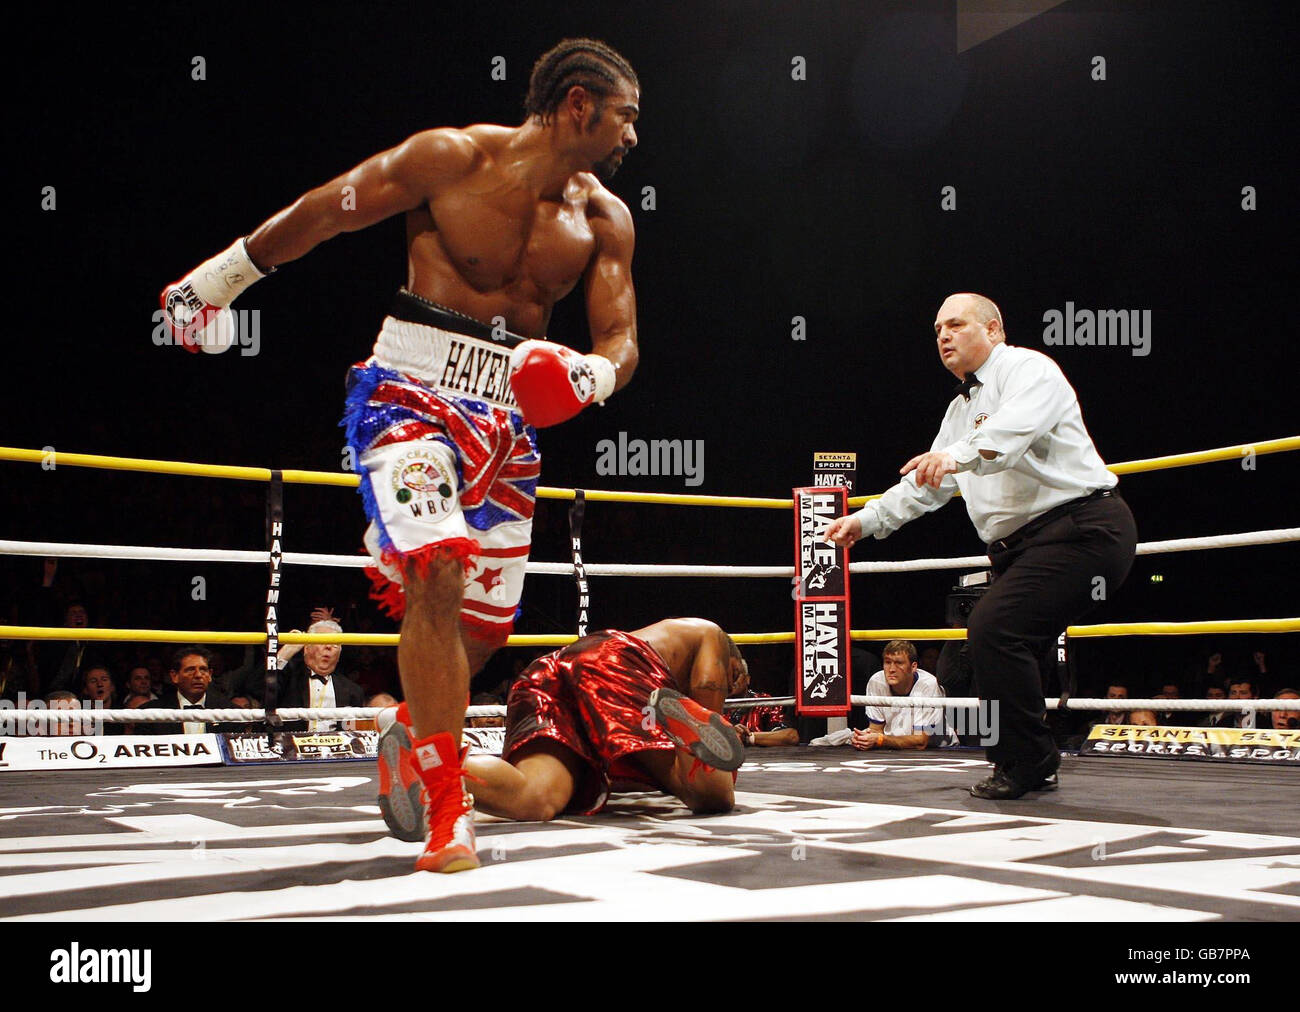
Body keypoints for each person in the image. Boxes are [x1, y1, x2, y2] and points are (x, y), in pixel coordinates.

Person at [159, 38, 642, 872]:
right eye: (627, 116)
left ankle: (409, 728)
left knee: (481, 634)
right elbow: (326, 209)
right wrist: (222, 279)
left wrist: (591, 375)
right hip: (409, 395)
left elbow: (622, 339)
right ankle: (449, 812)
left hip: (510, 420)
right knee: (436, 572)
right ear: (578, 105)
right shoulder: (452, 156)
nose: (634, 137)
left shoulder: (604, 217)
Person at [825, 293, 1137, 799]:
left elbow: (1005, 437)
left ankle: (1026, 761)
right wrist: (866, 521)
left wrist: (954, 456)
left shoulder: (1029, 370)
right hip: (1025, 548)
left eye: (956, 324)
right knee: (1003, 638)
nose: (943, 336)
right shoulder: (960, 408)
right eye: (937, 330)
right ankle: (1035, 759)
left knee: (994, 628)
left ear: (993, 329)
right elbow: (928, 482)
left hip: (1082, 529)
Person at [377, 618, 746, 869]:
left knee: (536, 798)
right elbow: (708, 691)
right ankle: (702, 761)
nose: (730, 691)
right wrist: (712, 731)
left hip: (548, 673)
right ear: (734, 666)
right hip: (614, 662)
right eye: (736, 683)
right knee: (713, 793)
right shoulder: (708, 632)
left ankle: (421, 755)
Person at [852, 640, 954, 750]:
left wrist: (881, 739)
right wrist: (864, 739)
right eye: (887, 662)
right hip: (893, 748)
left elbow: (920, 742)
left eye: (899, 663)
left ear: (913, 667)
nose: (891, 669)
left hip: (940, 750)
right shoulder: (877, 681)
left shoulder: (928, 685)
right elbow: (876, 730)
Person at [272, 615, 365, 732]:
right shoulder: (289, 675)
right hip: (290, 746)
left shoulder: (353, 691)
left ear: (339, 654)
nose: (328, 646)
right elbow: (258, 689)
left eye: (335, 644)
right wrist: (286, 652)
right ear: (306, 648)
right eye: (322, 641)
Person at [142, 647, 238, 735]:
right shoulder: (151, 713)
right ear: (174, 676)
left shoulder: (231, 712)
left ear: (209, 675)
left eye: (203, 669)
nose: (198, 675)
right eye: (190, 670)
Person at [725, 667, 798, 747]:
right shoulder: (712, 705)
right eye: (726, 676)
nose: (731, 680)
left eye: (735, 675)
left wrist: (748, 737)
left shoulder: (764, 703)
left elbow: (791, 737)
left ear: (747, 679)